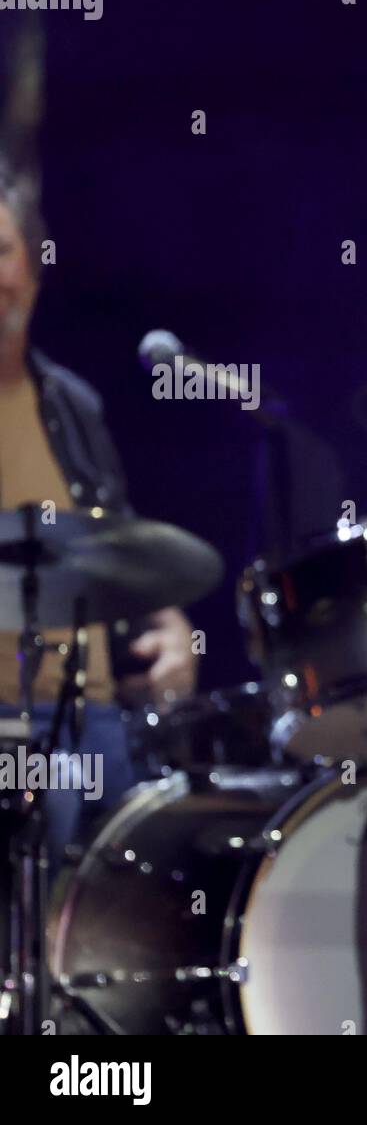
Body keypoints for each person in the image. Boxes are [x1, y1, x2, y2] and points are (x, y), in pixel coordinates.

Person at [0, 159, 199, 873]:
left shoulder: (71, 404)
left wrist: (171, 627)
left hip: (101, 722)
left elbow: (122, 547)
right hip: (7, 729)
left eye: (3, 251)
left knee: (120, 924)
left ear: (34, 266)